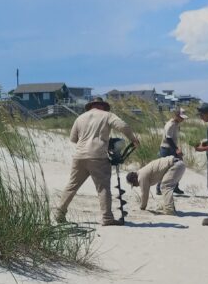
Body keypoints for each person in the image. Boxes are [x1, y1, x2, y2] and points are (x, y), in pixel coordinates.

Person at [56, 97, 139, 226]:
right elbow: (123, 126)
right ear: (102, 106)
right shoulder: (107, 115)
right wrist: (133, 139)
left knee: (72, 186)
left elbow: (73, 139)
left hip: (79, 157)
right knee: (103, 188)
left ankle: (59, 214)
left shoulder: (80, 118)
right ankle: (107, 218)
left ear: (91, 106)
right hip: (98, 156)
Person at [156, 108, 188, 196]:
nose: (183, 119)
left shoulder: (177, 124)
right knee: (163, 169)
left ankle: (175, 187)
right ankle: (159, 189)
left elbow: (174, 138)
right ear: (176, 116)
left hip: (173, 149)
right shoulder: (170, 124)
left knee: (177, 168)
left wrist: (177, 148)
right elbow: (168, 138)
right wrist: (177, 149)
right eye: (181, 117)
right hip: (166, 149)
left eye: (183, 117)